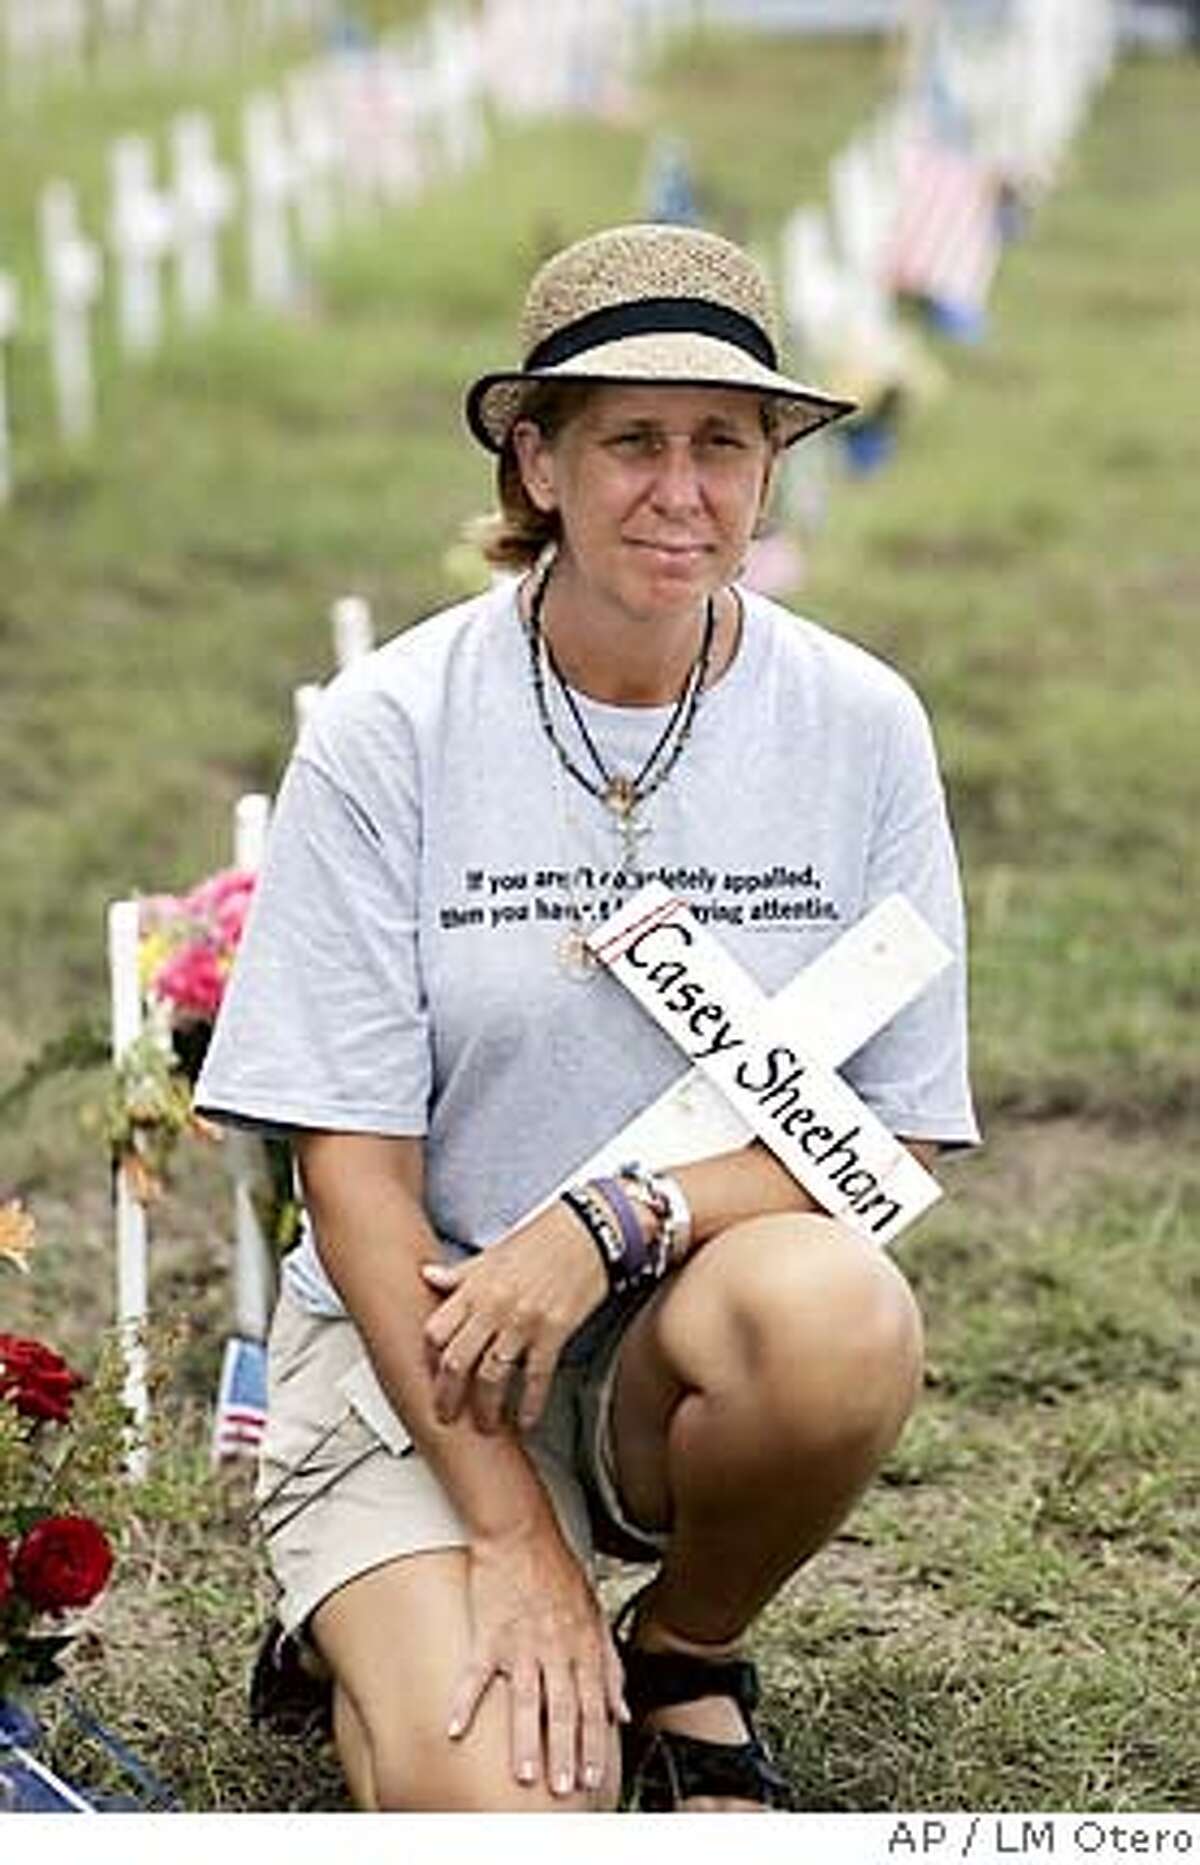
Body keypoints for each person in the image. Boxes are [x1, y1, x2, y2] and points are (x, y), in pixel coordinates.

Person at [196, 221, 979, 1814]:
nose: (680, 490)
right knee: (514, 1815)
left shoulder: (859, 725)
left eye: (723, 443)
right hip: (426, 1342)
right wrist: (512, 1536)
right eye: (632, 440)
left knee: (843, 1314)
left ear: (771, 470)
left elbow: (893, 1138)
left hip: (672, 1338)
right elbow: (351, 1174)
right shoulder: (392, 727)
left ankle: (685, 1649)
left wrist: (619, 1217)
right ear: (538, 462)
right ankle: (376, 1595)